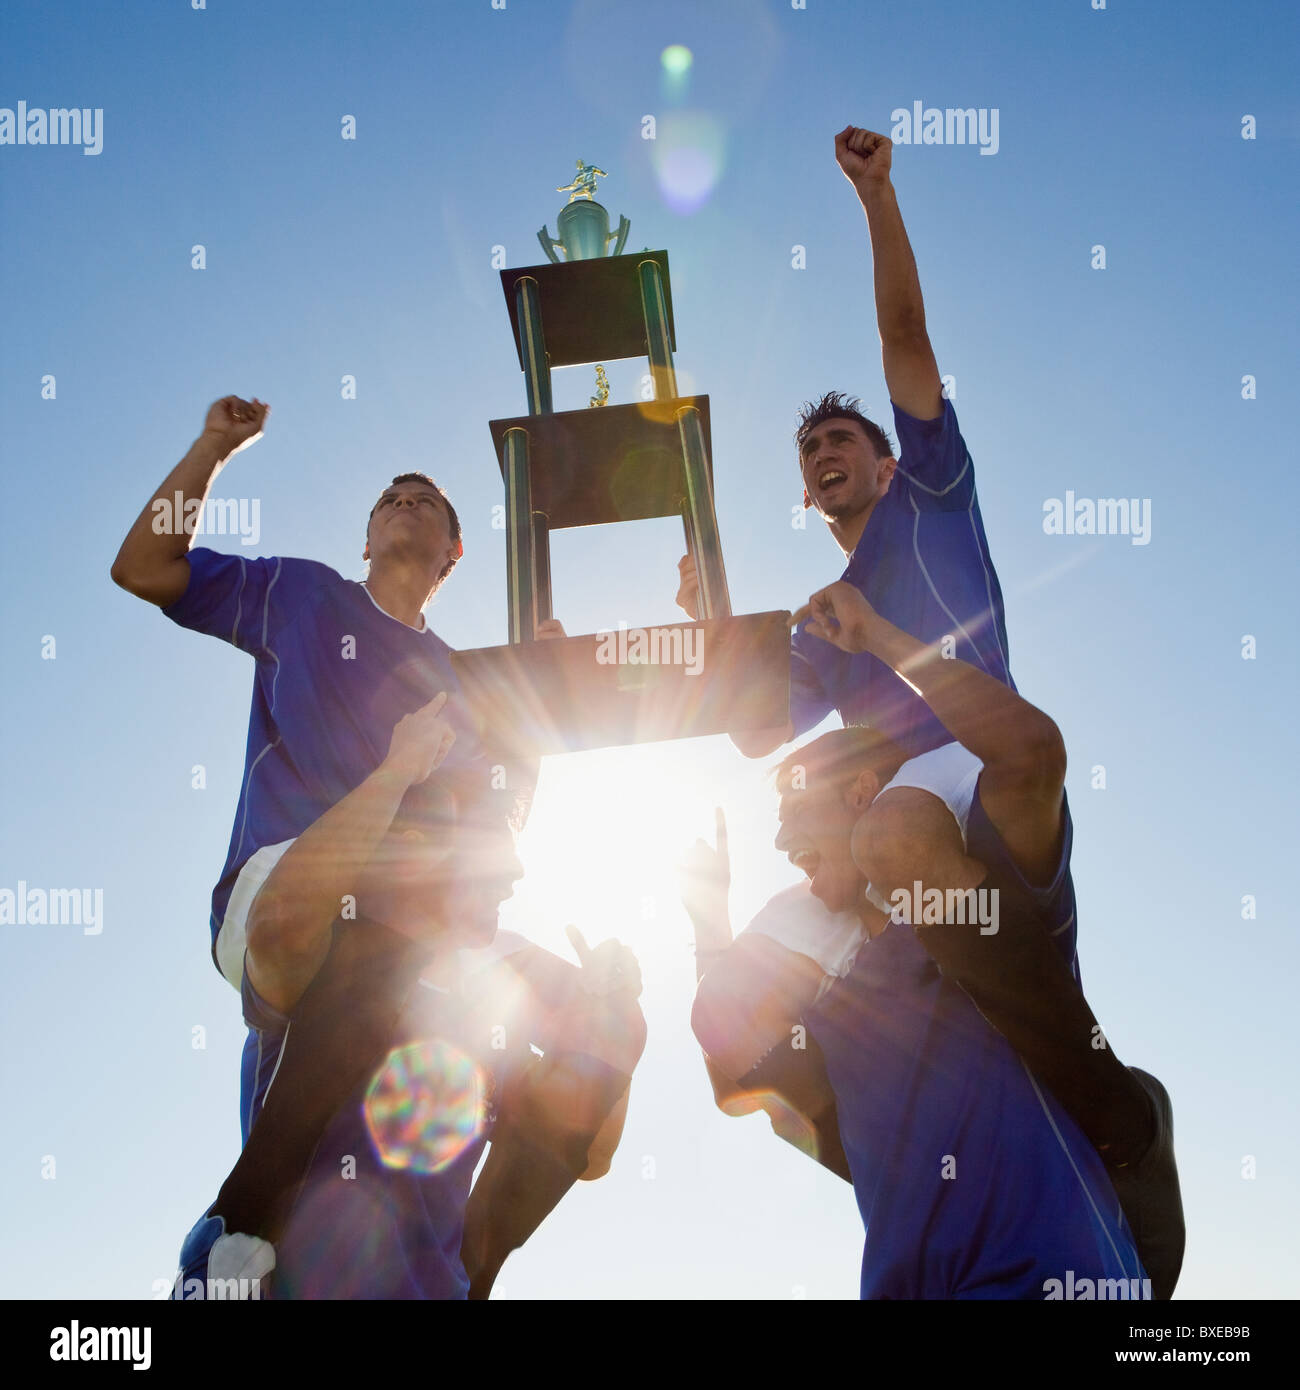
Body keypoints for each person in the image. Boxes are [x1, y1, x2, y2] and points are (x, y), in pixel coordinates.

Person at [686, 585, 1183, 1299]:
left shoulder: (988, 911)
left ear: (861, 792)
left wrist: (879, 637)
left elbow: (1033, 752)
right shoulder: (833, 997)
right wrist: (710, 922)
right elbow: (735, 1081)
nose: (780, 835)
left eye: (796, 806)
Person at [175, 693, 647, 1300]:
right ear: (420, 840)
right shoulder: (326, 930)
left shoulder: (492, 1008)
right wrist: (397, 771)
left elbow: (589, 1153)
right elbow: (281, 925)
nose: (515, 871)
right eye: (491, 836)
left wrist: (613, 1022)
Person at [676, 125, 1014, 938]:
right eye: (811, 450)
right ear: (804, 493)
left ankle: (1047, 1039)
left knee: (890, 836)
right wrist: (708, 625)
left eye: (842, 441)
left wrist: (876, 197)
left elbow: (905, 338)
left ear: (888, 467)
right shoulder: (824, 620)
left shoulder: (931, 501)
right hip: (888, 803)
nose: (825, 452)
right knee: (766, 969)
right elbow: (756, 733)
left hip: (981, 757)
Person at [111, 395, 491, 989]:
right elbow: (142, 567)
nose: (404, 502)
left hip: (397, 914)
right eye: (388, 501)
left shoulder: (460, 678)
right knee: (291, 921)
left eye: (424, 501)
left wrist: (552, 677)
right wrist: (213, 447)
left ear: (454, 551)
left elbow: (492, 813)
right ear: (366, 543)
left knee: (543, 1013)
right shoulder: (301, 593)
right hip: (278, 888)